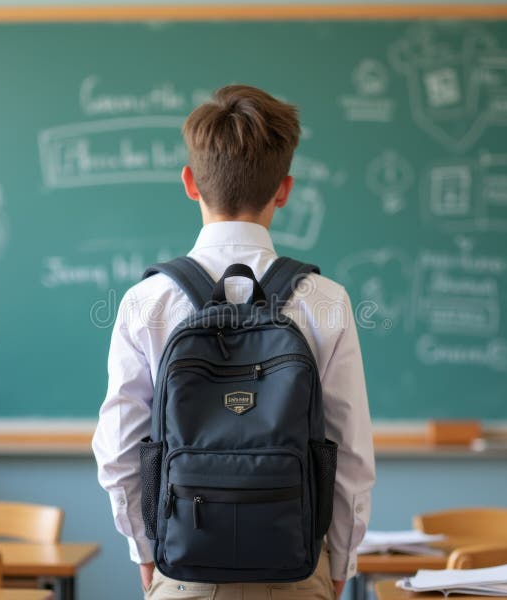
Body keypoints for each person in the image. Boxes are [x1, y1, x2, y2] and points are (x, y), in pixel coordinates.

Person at [92, 84, 375, 599]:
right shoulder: (327, 300)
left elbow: (118, 451)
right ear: (285, 189)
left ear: (189, 182)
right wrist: (340, 564)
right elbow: (351, 454)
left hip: (186, 572)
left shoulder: (145, 301)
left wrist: (147, 552)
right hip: (297, 569)